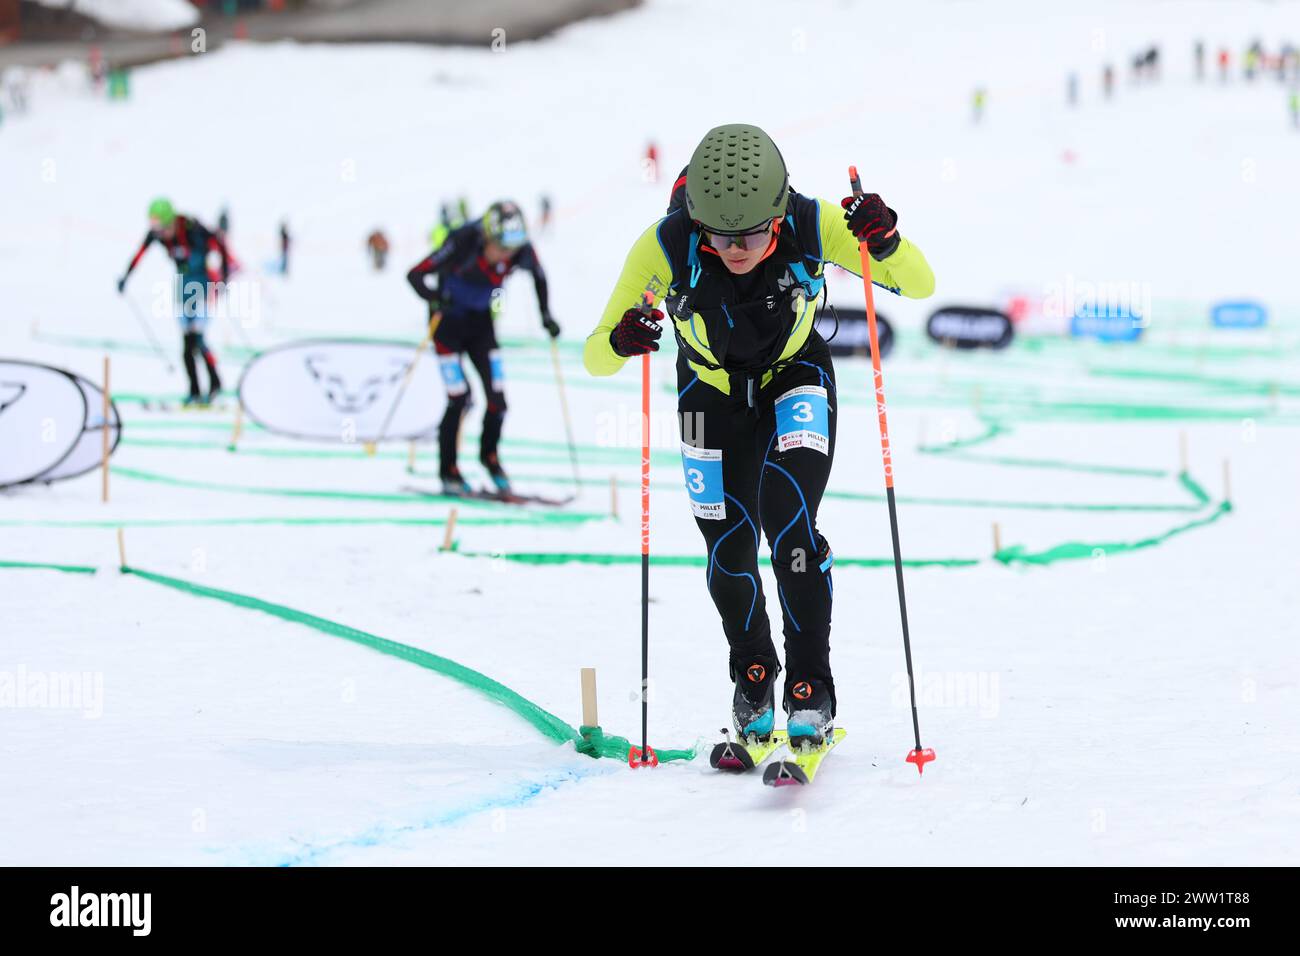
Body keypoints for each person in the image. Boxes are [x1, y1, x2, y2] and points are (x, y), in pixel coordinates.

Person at [583, 124, 935, 748]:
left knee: (788, 519)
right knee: (728, 548)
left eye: (747, 236)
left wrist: (884, 241)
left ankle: (809, 685)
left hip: (793, 378)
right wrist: (621, 339)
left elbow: (918, 283)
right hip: (707, 396)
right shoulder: (665, 245)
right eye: (718, 237)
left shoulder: (809, 223)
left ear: (776, 215)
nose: (734, 250)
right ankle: (753, 674)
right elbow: (595, 355)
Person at [406, 200, 561, 495]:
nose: (506, 256)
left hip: (481, 325)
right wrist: (434, 297)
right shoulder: (463, 240)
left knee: (498, 400)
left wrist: (546, 316)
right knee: (460, 398)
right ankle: (448, 471)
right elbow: (414, 274)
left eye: (511, 250)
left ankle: (490, 458)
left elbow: (539, 276)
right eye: (501, 249)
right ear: (487, 237)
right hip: (446, 325)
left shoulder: (520, 248)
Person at [117, 197, 227, 405]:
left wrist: (225, 276)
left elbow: (219, 242)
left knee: (198, 339)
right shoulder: (157, 235)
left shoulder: (190, 227)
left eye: (162, 227)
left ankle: (215, 384)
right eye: (156, 228)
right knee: (186, 342)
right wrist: (126, 277)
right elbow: (140, 254)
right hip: (184, 287)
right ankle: (194, 390)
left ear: (170, 222)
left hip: (204, 284)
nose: (160, 232)